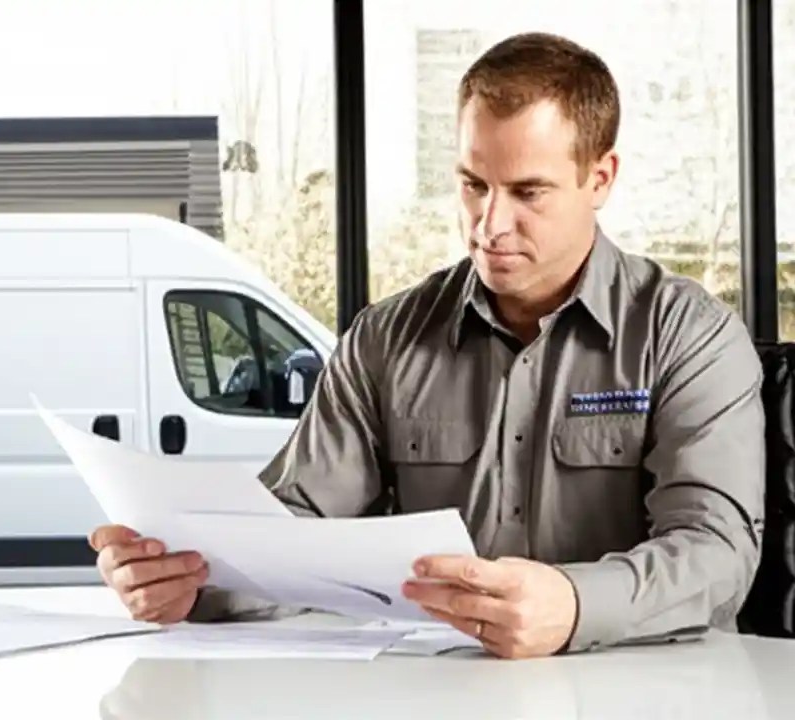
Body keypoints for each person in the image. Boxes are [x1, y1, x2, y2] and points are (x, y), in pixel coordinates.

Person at [89, 31, 766, 660]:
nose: (489, 224)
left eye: (528, 191)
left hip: (649, 692)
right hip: (433, 688)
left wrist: (575, 604)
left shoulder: (691, 337)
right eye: (474, 185)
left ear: (601, 178)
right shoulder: (386, 339)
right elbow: (289, 534)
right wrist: (191, 580)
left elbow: (714, 553)